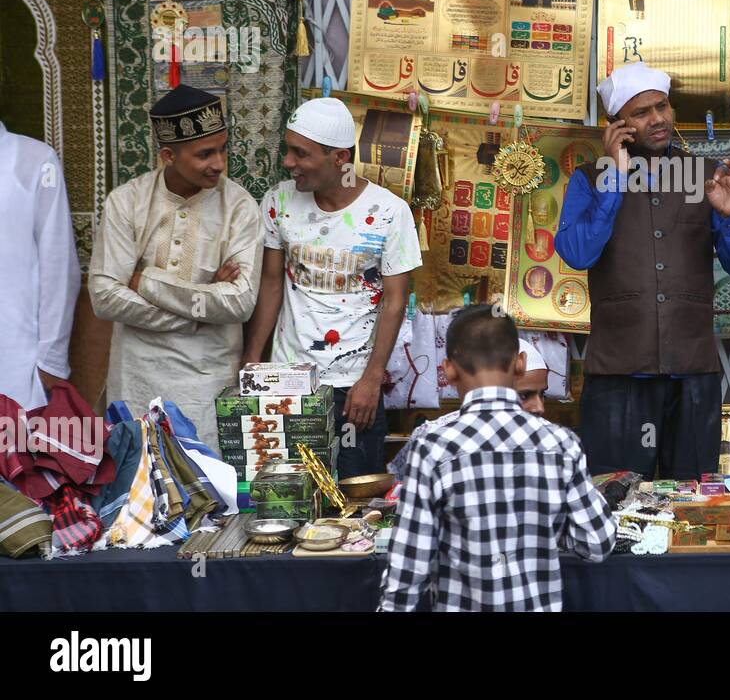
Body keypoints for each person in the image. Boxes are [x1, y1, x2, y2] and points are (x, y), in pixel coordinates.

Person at [555, 63, 730, 479]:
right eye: (642, 113)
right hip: (618, 375)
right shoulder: (589, 179)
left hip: (692, 374)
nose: (658, 119)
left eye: (662, 106)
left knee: (690, 498)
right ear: (617, 126)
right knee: (614, 495)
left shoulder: (703, 176)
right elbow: (577, 254)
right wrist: (614, 177)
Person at [379, 306, 616, 611]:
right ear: (519, 364)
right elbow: (597, 542)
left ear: (449, 370)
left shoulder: (431, 446)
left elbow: (408, 569)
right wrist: (545, 530)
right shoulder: (560, 444)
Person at [242, 97, 421, 479]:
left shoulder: (389, 212)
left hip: (353, 386)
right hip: (287, 381)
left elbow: (394, 302)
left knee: (353, 502)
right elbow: (272, 282)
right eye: (288, 150)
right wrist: (253, 360)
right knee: (283, 491)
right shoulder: (279, 201)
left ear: (339, 158)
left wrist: (371, 379)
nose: (288, 162)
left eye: (300, 153)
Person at [89, 87, 261, 446]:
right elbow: (105, 296)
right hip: (138, 376)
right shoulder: (126, 203)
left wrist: (148, 282)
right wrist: (199, 312)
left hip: (207, 378)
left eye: (223, 148)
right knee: (138, 488)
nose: (219, 163)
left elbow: (239, 303)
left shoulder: (240, 208)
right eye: (205, 154)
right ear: (169, 155)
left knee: (207, 489)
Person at [0, 120, 79, 411]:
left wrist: (51, 360)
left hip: (14, 356)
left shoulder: (34, 160)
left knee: (13, 454)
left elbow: (59, 267)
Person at [387, 337, 551, 476]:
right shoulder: (434, 437)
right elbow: (399, 488)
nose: (538, 407)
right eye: (523, 396)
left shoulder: (553, 443)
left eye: (542, 394)